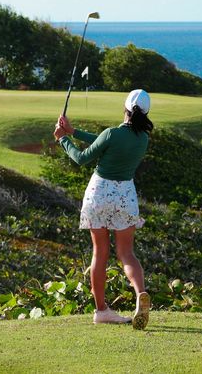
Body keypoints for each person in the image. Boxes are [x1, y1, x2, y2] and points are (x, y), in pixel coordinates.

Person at [53, 89, 153, 330]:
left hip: (99, 193)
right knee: (126, 253)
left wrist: (63, 139)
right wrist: (74, 131)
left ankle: (101, 310)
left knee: (100, 253)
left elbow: (81, 157)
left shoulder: (112, 134)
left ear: (126, 108)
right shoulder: (143, 139)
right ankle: (141, 293)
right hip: (125, 196)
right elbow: (106, 141)